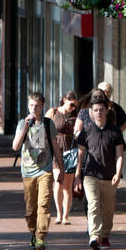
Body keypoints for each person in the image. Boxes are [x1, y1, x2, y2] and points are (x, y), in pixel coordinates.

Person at [73, 91, 125, 250]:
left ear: (106, 111)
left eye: (101, 110)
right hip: (91, 175)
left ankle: (105, 235)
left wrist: (118, 173)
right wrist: (77, 176)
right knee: (93, 205)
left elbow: (119, 155)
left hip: (110, 176)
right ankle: (94, 236)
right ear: (91, 112)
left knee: (108, 210)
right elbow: (80, 154)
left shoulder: (115, 132)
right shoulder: (87, 131)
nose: (99, 113)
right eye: (95, 110)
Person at [12, 92, 63, 250]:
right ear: (28, 106)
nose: (34, 108)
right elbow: (15, 146)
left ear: (42, 106)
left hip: (45, 170)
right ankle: (33, 232)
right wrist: (26, 126)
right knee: (30, 209)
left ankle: (41, 237)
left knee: (44, 204)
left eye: (37, 105)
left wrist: (60, 168)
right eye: (31, 105)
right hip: (28, 172)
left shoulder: (48, 124)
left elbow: (55, 147)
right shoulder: (22, 123)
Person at [46, 91, 80, 225]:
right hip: (56, 150)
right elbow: (44, 126)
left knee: (67, 186)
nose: (73, 107)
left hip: (70, 151)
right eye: (71, 104)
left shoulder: (75, 115)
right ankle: (58, 214)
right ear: (65, 100)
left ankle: (65, 216)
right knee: (58, 182)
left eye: (75, 106)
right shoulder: (53, 112)